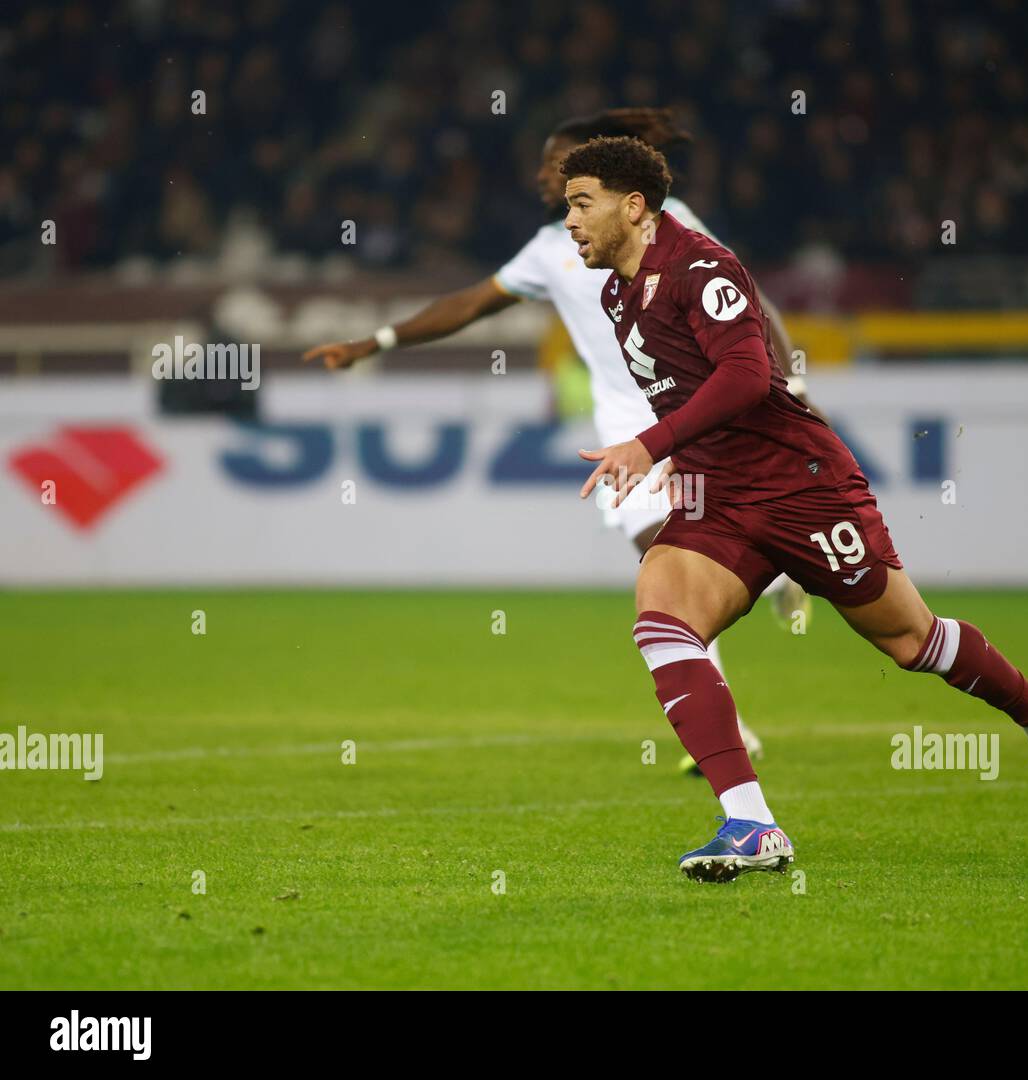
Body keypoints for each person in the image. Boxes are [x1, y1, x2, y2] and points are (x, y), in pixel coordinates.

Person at [561, 135, 1028, 884]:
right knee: (662, 616)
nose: (571, 221)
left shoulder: (702, 266)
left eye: (582, 203)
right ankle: (751, 823)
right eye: (567, 207)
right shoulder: (618, 292)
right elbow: (687, 390)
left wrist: (650, 445)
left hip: (801, 485)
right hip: (720, 496)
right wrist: (681, 457)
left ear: (634, 205)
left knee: (914, 643)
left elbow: (748, 374)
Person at [303, 108, 810, 774]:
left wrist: (789, 379)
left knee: (672, 564)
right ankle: (743, 681)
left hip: (697, 411)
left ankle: (749, 661)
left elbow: (741, 292)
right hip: (625, 431)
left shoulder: (667, 216)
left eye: (555, 163)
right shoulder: (549, 250)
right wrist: (377, 341)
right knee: (667, 564)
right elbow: (468, 304)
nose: (543, 176)